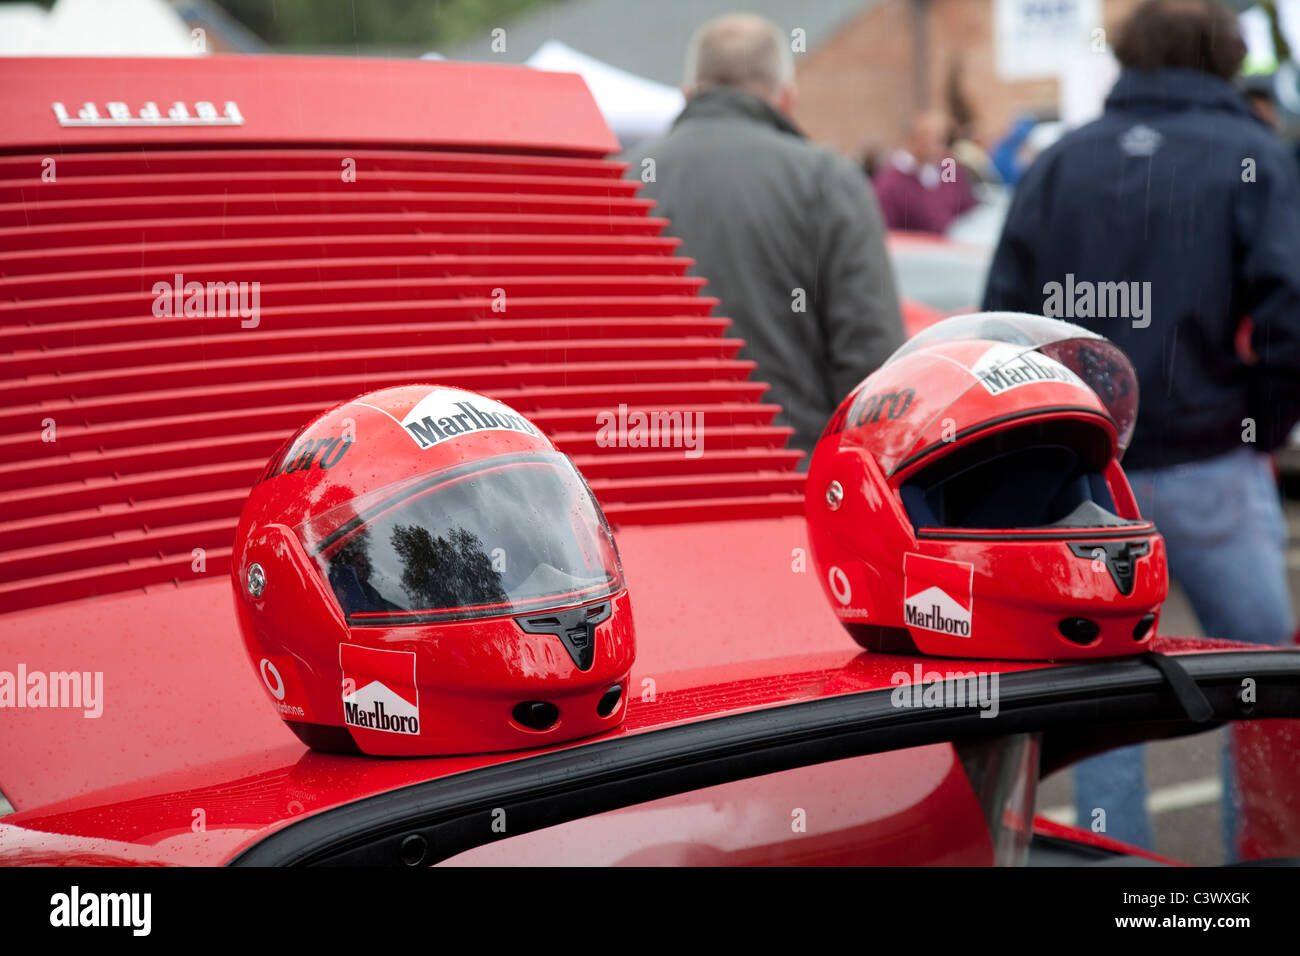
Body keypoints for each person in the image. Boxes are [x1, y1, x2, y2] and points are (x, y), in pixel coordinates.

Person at [981, 0, 1300, 857]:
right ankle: (1262, 865)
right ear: (1225, 57)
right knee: (1264, 685)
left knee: (1099, 685)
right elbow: (1290, 315)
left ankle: (1116, 869)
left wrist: (1048, 439)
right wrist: (1261, 423)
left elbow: (998, 321)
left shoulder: (1062, 163)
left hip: (1084, 478)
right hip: (1211, 462)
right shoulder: (1253, 157)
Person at [621, 13, 903, 459]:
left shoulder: (618, 181)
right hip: (790, 478)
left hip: (643, 476)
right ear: (786, 99)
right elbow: (871, 365)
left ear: (688, 95)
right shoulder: (828, 181)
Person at [872, 110, 978, 234]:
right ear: (913, 140)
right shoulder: (890, 182)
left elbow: (966, 207)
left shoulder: (948, 168)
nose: (939, 147)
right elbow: (885, 229)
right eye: (934, 140)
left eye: (943, 140)